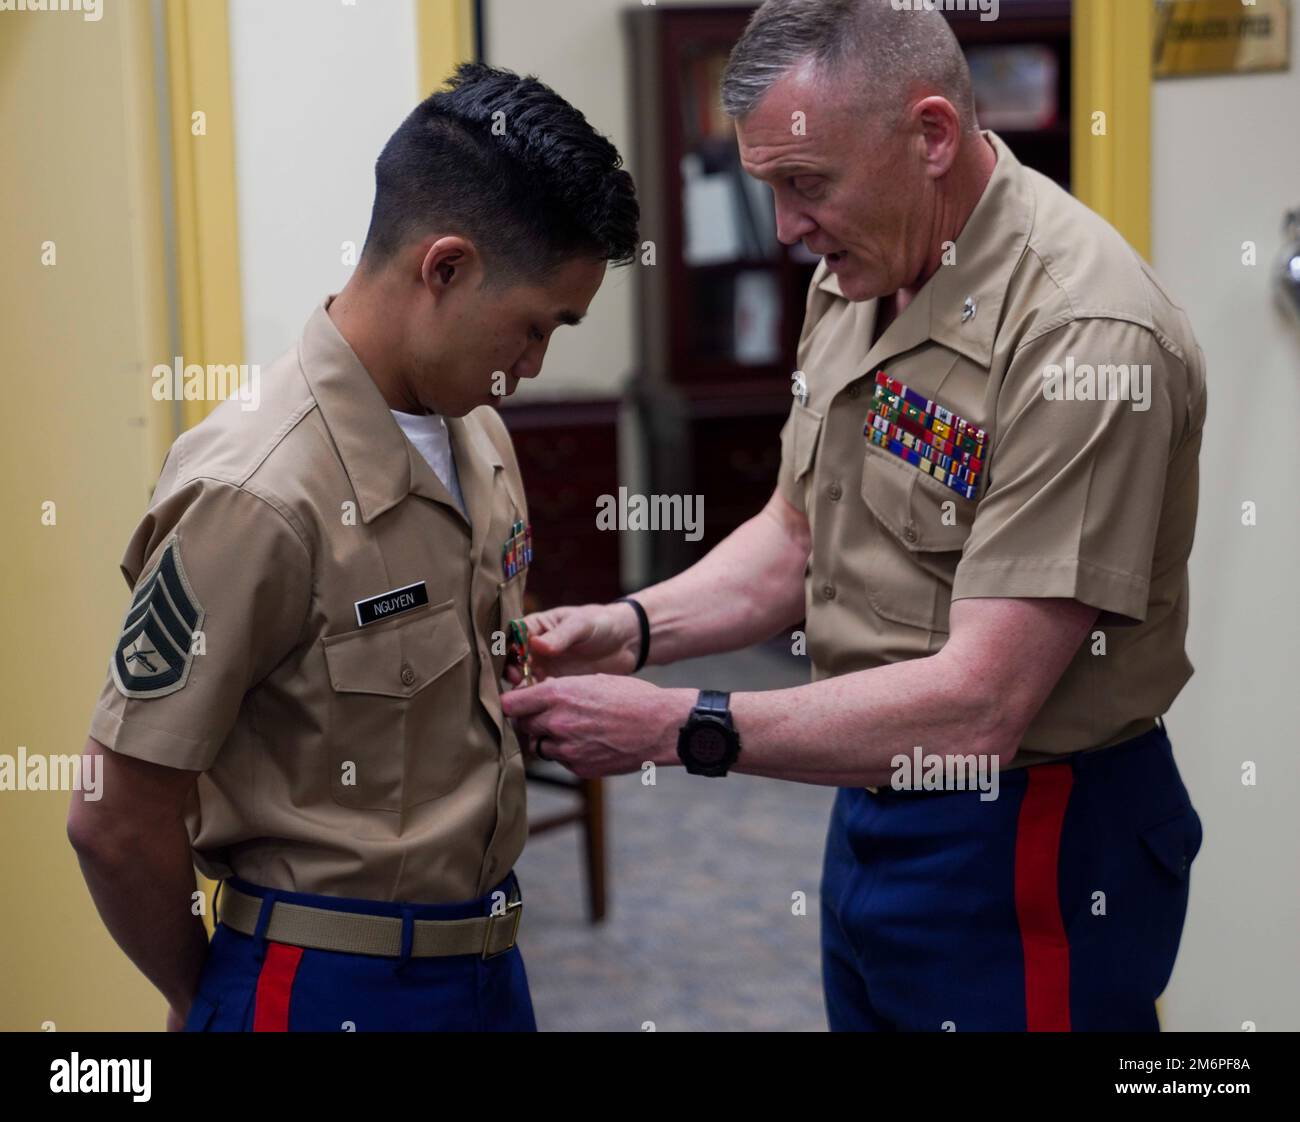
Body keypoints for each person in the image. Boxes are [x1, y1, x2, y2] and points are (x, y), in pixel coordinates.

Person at [500, 0, 1206, 1032]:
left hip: (1033, 829)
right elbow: (795, 535)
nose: (785, 228)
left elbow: (980, 706)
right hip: (871, 788)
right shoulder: (859, 269)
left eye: (805, 185)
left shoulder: (1082, 336)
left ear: (929, 137)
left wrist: (676, 729)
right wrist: (632, 630)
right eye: (770, 189)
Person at [66, 62, 639, 1032]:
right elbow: (113, 815)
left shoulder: (476, 433)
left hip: (490, 964)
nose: (534, 367)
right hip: (319, 981)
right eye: (533, 328)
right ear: (445, 268)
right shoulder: (254, 491)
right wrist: (200, 997)